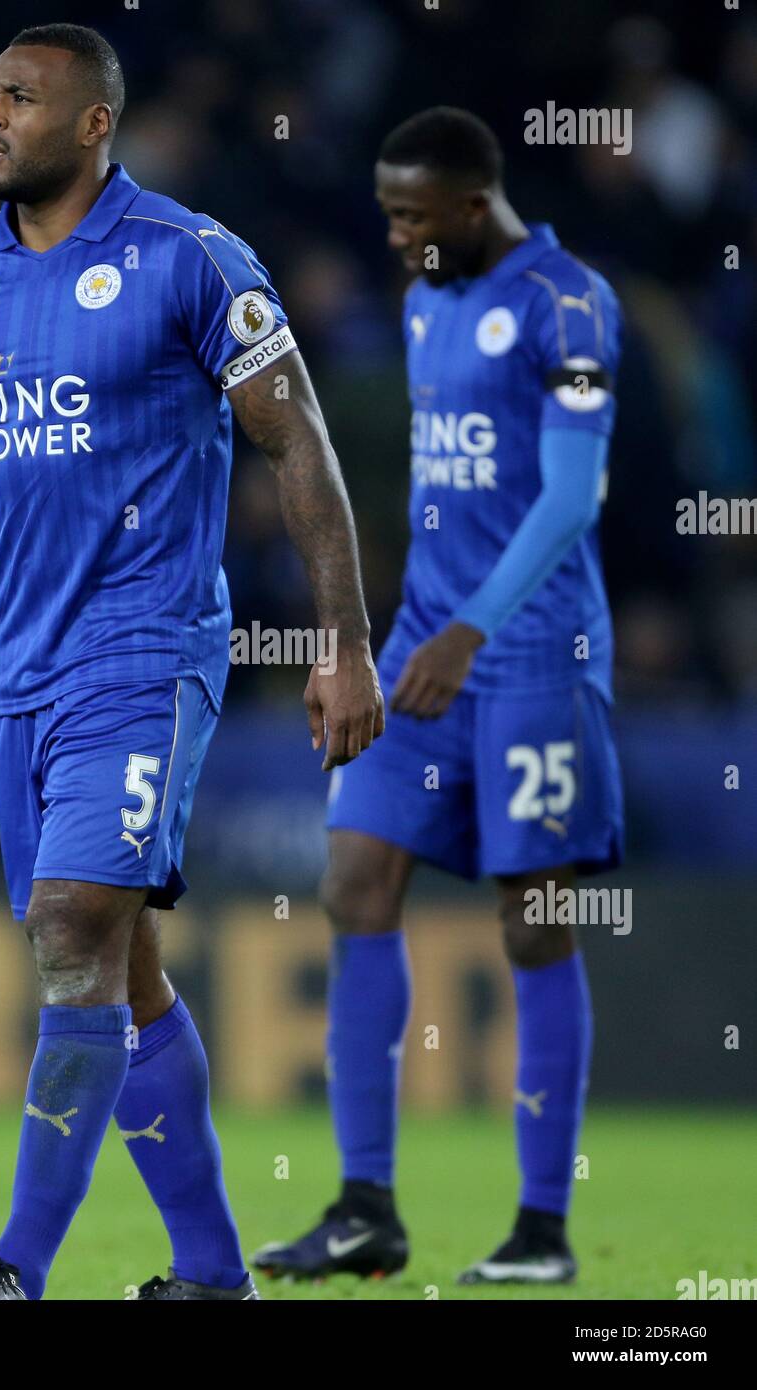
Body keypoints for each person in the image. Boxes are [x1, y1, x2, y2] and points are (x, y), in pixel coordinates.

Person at [0, 22, 382, 1303]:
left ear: (96, 122)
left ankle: (15, 1270)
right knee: (119, 966)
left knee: (71, 926)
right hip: (24, 665)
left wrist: (344, 644)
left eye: (21, 97)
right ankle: (215, 1273)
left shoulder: (191, 259)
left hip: (148, 646)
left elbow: (299, 445)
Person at [253, 106, 623, 1287]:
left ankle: (543, 1230)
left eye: (416, 216)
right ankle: (366, 1207)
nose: (399, 235)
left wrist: (471, 628)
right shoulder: (425, 300)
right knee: (354, 881)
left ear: (475, 205)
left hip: (530, 653)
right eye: (387, 214)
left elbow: (569, 498)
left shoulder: (570, 303)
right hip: (427, 643)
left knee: (533, 917)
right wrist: (397, 627)